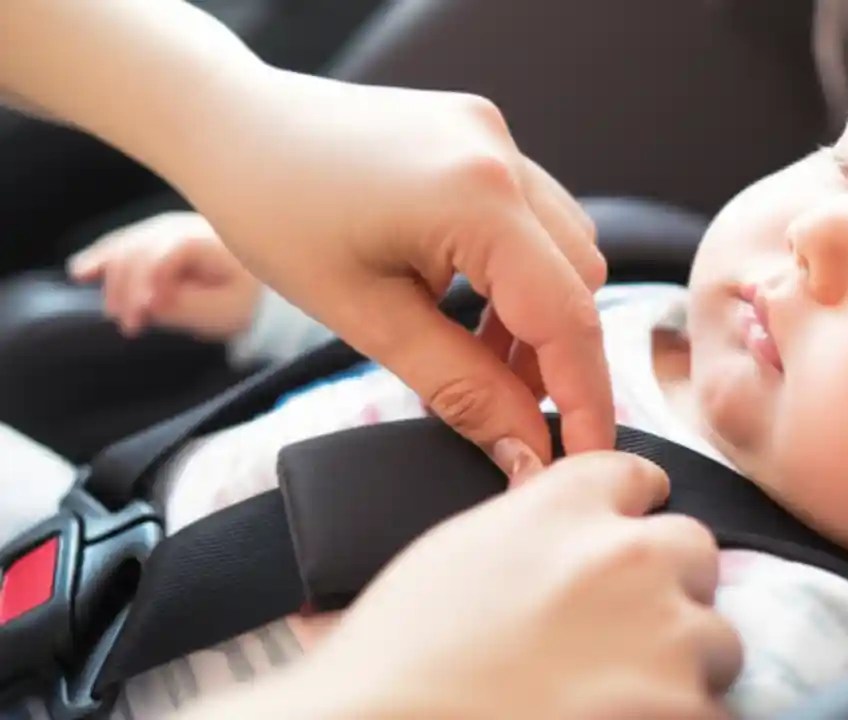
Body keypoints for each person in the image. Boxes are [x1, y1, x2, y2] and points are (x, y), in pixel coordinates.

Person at [38, 0, 848, 717]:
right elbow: (397, 323)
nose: (821, 234)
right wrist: (254, 296)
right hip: (64, 570)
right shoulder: (616, 272)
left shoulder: (796, 630)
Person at [0, 0, 742, 717]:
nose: (823, 239)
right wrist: (267, 293)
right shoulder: (640, 284)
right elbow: (396, 340)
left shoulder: (796, 613)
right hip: (95, 566)